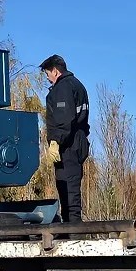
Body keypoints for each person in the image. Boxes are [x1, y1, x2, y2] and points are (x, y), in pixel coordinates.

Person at [40, 54, 90, 223]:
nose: (48, 78)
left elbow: (64, 118)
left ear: (55, 71)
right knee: (70, 189)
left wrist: (55, 141)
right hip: (78, 140)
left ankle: (73, 232)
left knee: (69, 192)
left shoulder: (63, 87)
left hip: (68, 144)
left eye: (48, 74)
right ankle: (70, 228)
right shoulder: (78, 85)